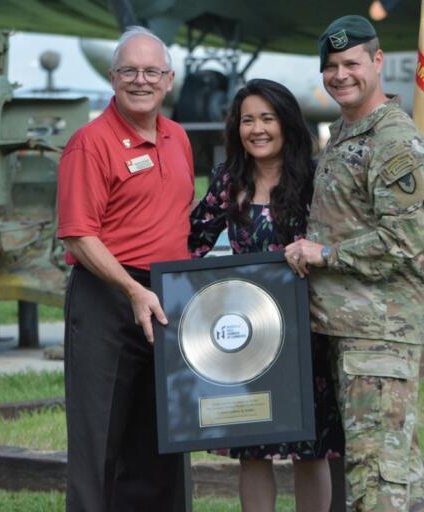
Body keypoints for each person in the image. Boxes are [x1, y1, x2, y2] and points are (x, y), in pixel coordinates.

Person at [284, 15, 424, 512]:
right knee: (396, 467)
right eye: (331, 66)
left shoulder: (391, 139)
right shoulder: (348, 133)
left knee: (375, 475)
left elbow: (407, 236)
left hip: (379, 331)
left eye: (352, 63)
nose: (340, 75)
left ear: (377, 62)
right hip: (355, 329)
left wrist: (325, 254)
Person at [189, 78, 344, 512]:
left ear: (286, 123)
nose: (257, 129)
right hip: (248, 335)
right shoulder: (228, 179)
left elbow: (338, 245)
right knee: (253, 448)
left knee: (311, 449)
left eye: (267, 118)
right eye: (247, 120)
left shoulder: (316, 178)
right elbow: (192, 241)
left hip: (308, 332)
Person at [57, 26, 192, 512]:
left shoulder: (178, 138)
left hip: (167, 297)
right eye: (129, 71)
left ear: (169, 80)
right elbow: (78, 234)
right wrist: (133, 290)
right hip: (108, 296)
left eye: (152, 71)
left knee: (165, 436)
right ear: (113, 78)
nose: (141, 80)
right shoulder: (89, 144)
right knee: (99, 442)